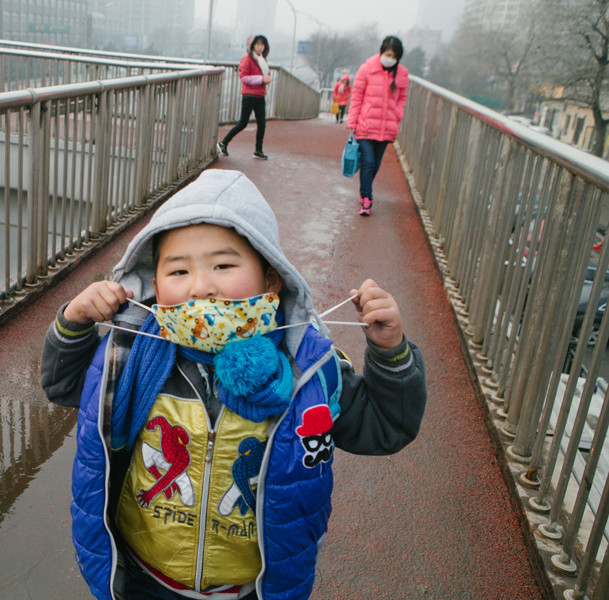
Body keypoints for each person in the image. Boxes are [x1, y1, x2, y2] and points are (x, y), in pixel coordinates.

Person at [41, 169, 427, 600]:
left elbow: (386, 427)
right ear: (154, 282)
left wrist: (390, 353)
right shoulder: (131, 353)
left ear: (272, 278)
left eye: (223, 265)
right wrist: (74, 324)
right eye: (179, 271)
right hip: (144, 579)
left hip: (251, 588)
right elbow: (63, 386)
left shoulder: (306, 370)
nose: (201, 287)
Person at [347, 36, 409, 216]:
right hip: (365, 125)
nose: (390, 58)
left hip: (386, 127)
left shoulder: (402, 74)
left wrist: (397, 114)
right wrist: (352, 121)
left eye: (394, 56)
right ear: (381, 52)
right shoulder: (366, 69)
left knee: (375, 164)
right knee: (368, 162)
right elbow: (357, 96)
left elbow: (402, 98)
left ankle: (364, 189)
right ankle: (367, 199)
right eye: (388, 54)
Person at [217, 35, 272, 160]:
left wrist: (268, 79)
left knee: (262, 124)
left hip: (260, 95)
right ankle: (223, 143)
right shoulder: (247, 59)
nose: (260, 47)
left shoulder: (263, 60)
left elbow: (267, 74)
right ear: (252, 46)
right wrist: (262, 79)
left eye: (262, 44)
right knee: (243, 124)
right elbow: (243, 77)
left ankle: (258, 150)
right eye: (257, 44)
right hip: (249, 96)